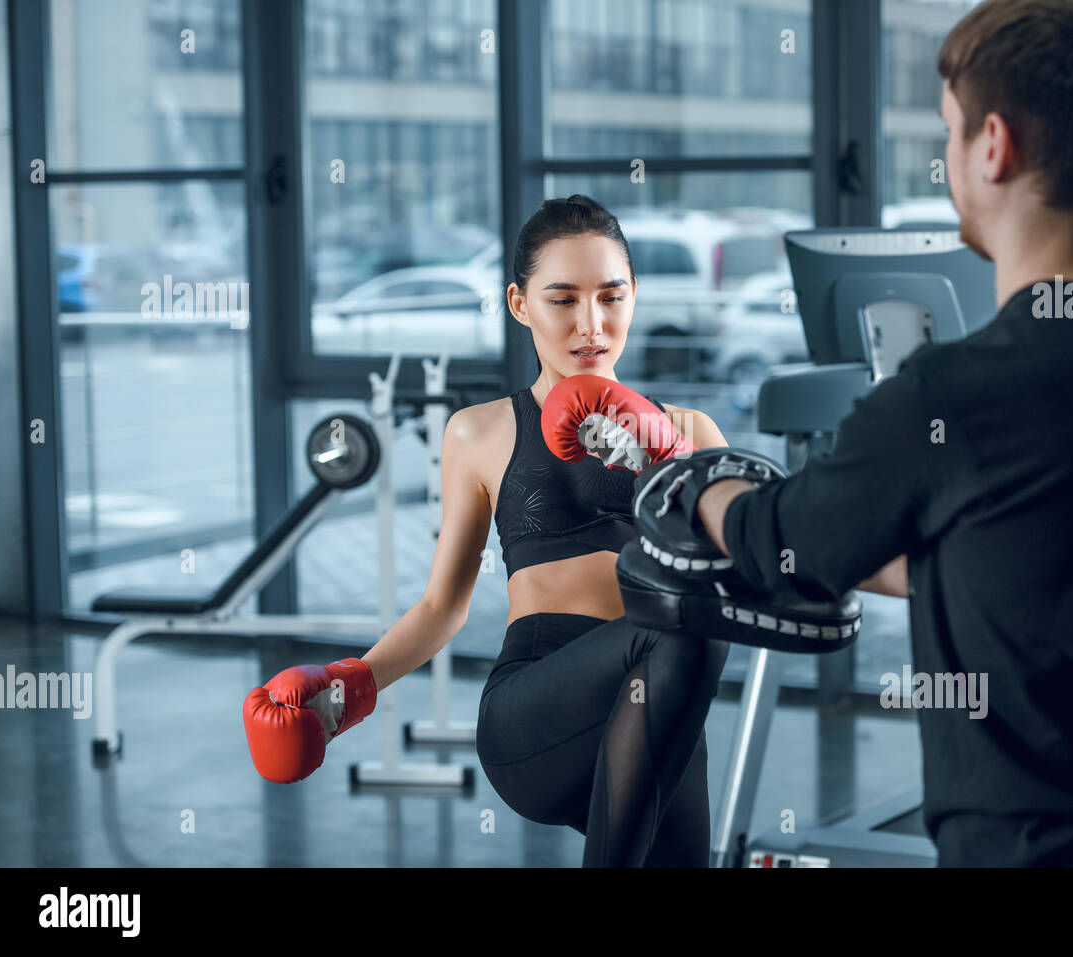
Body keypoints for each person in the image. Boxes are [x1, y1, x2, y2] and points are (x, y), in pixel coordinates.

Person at [644, 0, 1073, 867]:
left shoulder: (954, 396)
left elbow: (778, 542)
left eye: (949, 131)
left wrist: (699, 481)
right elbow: (1037, 561)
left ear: (994, 144)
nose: (946, 158)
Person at [244, 195, 735, 867]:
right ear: (518, 303)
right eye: (562, 299)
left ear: (634, 296)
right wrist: (341, 693)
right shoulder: (480, 430)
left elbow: (757, 570)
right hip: (537, 706)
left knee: (690, 627)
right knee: (674, 626)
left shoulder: (690, 432)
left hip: (659, 700)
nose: (590, 324)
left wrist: (668, 458)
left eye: (610, 297)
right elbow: (443, 606)